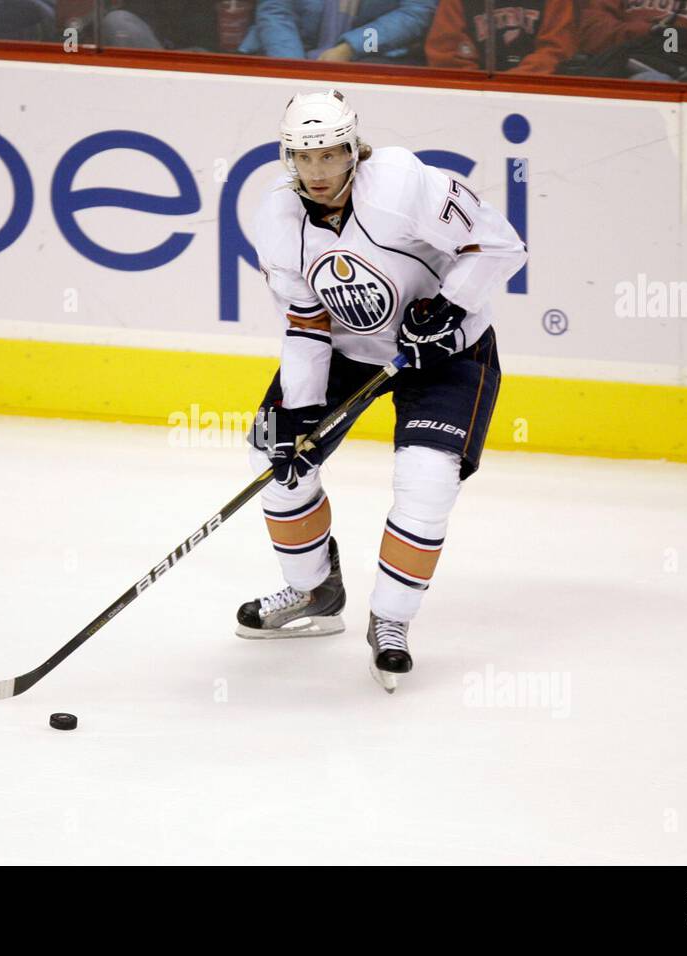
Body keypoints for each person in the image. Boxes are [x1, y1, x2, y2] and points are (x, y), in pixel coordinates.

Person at [237, 90, 526, 692]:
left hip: (449, 353)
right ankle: (315, 591)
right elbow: (306, 321)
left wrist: (448, 306)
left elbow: (500, 243)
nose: (317, 172)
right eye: (303, 157)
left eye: (329, 155)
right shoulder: (277, 217)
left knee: (426, 481)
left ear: (352, 148)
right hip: (349, 349)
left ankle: (391, 620)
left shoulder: (401, 183)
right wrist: (301, 413)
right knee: (274, 457)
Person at [238, 0, 439, 63]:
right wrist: (293, 64)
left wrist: (351, 48)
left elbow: (415, 14)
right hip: (285, 52)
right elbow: (276, 10)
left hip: (369, 55)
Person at [424, 0, 577, 74]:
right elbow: (447, 54)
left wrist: (512, 82)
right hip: (474, 95)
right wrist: (481, 86)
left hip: (539, 90)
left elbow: (556, 50)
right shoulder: (455, 2)